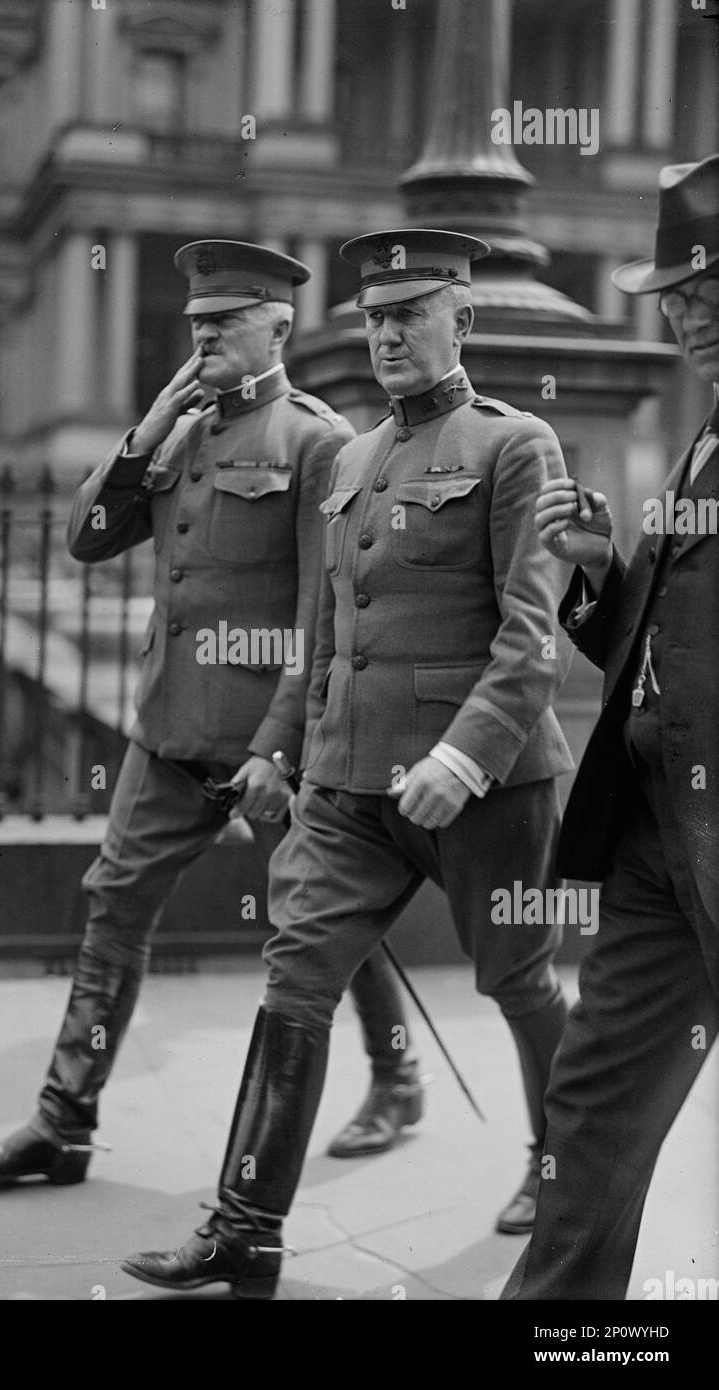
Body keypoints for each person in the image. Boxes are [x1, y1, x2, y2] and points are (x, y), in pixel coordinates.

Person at [122, 227, 577, 1299]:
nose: (381, 334)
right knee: (293, 978)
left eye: (405, 314)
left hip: (484, 792)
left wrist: (463, 761)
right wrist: (279, 749)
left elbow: (531, 635)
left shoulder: (516, 446)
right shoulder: (351, 457)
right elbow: (321, 635)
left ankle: (562, 1176)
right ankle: (243, 1233)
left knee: (517, 980)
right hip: (345, 785)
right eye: (370, 316)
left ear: (459, 321)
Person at [0, 240, 426, 1190]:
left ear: (278, 326)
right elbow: (89, 541)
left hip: (268, 746)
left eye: (223, 321)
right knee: (113, 902)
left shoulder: (318, 440)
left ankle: (397, 1077)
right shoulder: (180, 430)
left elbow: (320, 614)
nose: (203, 334)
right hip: (168, 729)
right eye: (197, 322)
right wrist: (143, 430)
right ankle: (63, 1118)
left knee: (332, 923)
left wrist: (277, 747)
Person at [502, 155, 719, 1301]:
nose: (689, 314)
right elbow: (674, 639)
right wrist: (599, 579)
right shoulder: (702, 439)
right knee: (590, 1108)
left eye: (710, 286)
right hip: (657, 842)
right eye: (676, 295)